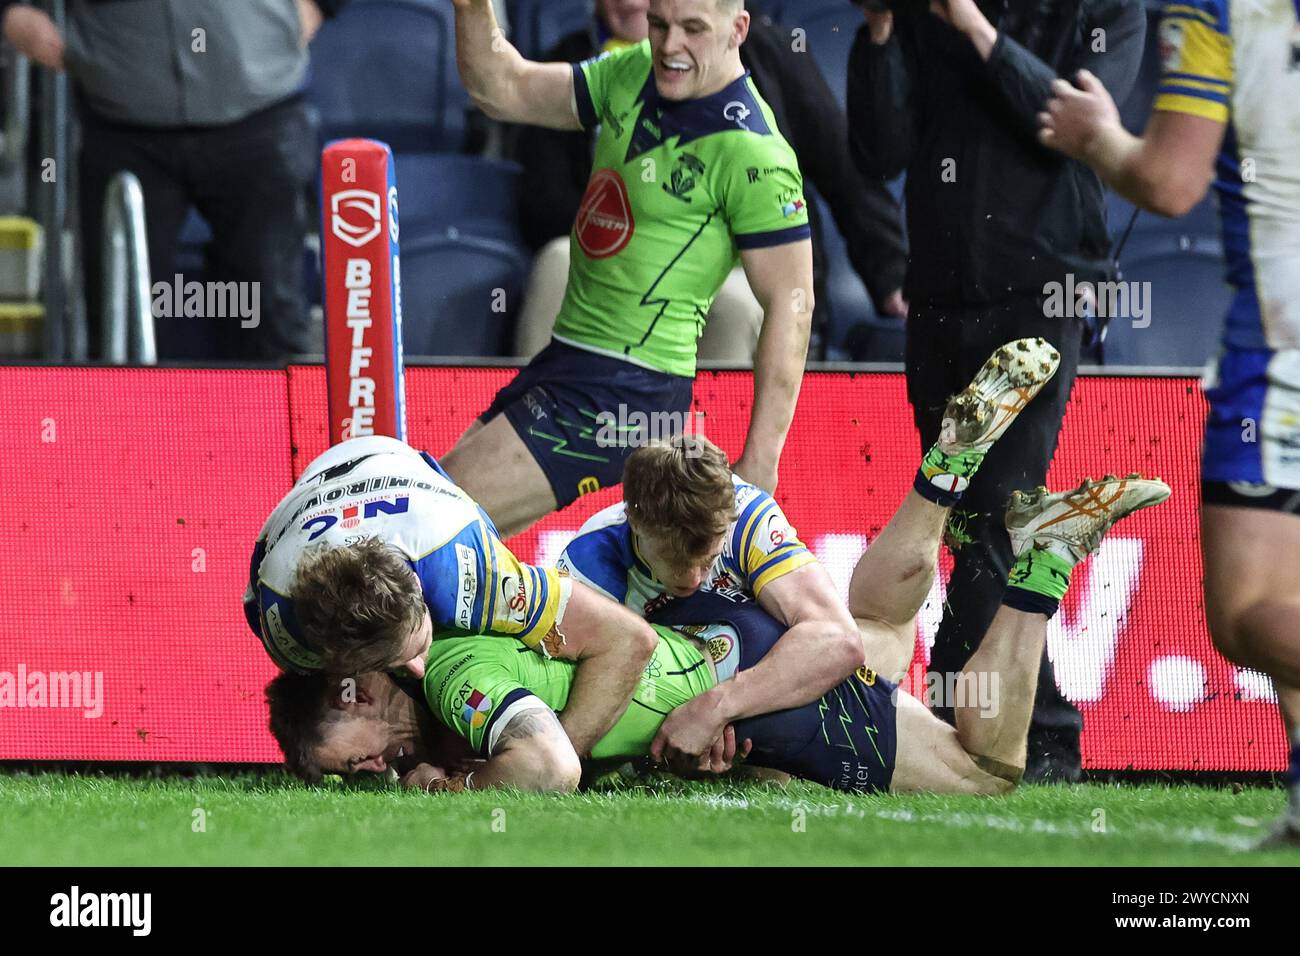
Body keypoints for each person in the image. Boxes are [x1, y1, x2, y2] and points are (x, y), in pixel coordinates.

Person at [266, 467, 1170, 794]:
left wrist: (474, 786)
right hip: (721, 651)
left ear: (354, 679)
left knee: (985, 775)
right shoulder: (488, 612)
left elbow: (552, 756)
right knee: (881, 641)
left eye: (360, 756)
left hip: (746, 675)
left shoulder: (463, 657)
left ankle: (1039, 573)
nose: (381, 766)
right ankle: (939, 479)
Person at [845, 0, 1147, 781]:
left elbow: (1065, 122)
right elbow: (877, 152)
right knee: (961, 525)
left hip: (1042, 290)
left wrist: (975, 27)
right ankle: (1035, 730)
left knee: (990, 517)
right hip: (940, 294)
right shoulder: (915, 15)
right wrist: (880, 30)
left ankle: (984, 731)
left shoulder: (1105, 10)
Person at [1036, 0, 1300, 845]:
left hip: (1284, 335)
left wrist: (1095, 133)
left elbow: (1169, 181)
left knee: (1247, 611)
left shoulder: (1226, 6)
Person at [559, 338, 1060, 769]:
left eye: (706, 558)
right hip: (752, 687)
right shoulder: (587, 569)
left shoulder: (744, 511)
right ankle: (944, 486)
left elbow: (838, 644)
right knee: (881, 637)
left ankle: (974, 505)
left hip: (769, 681)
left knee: (872, 645)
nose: (692, 577)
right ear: (636, 521)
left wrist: (716, 708)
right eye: (677, 562)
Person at [440, 0, 815, 538]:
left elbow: (793, 304)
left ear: (739, 30)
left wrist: (760, 465)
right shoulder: (633, 69)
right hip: (568, 360)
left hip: (627, 394)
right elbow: (501, 87)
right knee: (437, 528)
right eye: (660, 25)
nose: (668, 46)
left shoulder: (755, 152)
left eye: (692, 29)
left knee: (434, 527)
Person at [511, 1, 908, 363]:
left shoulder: (770, 52)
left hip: (735, 268)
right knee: (556, 262)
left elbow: (845, 169)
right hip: (609, 261)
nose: (632, 2)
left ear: (734, 28)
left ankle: (712, 439)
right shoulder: (572, 63)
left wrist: (891, 275)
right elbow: (541, 201)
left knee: (736, 305)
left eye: (692, 28)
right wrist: (638, 236)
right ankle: (535, 422)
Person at [244, 435, 656, 757]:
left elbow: (629, 637)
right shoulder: (285, 634)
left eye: (419, 645)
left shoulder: (473, 570)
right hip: (299, 513)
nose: (420, 668)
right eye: (397, 663)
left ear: (421, 592)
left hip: (405, 478)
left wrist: (564, 752)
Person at [0, 0, 337, 361]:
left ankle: (270, 419)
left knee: (270, 315)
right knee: (120, 325)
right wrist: (10, 14)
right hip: (122, 124)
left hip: (261, 114)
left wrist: (318, 6)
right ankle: (127, 419)